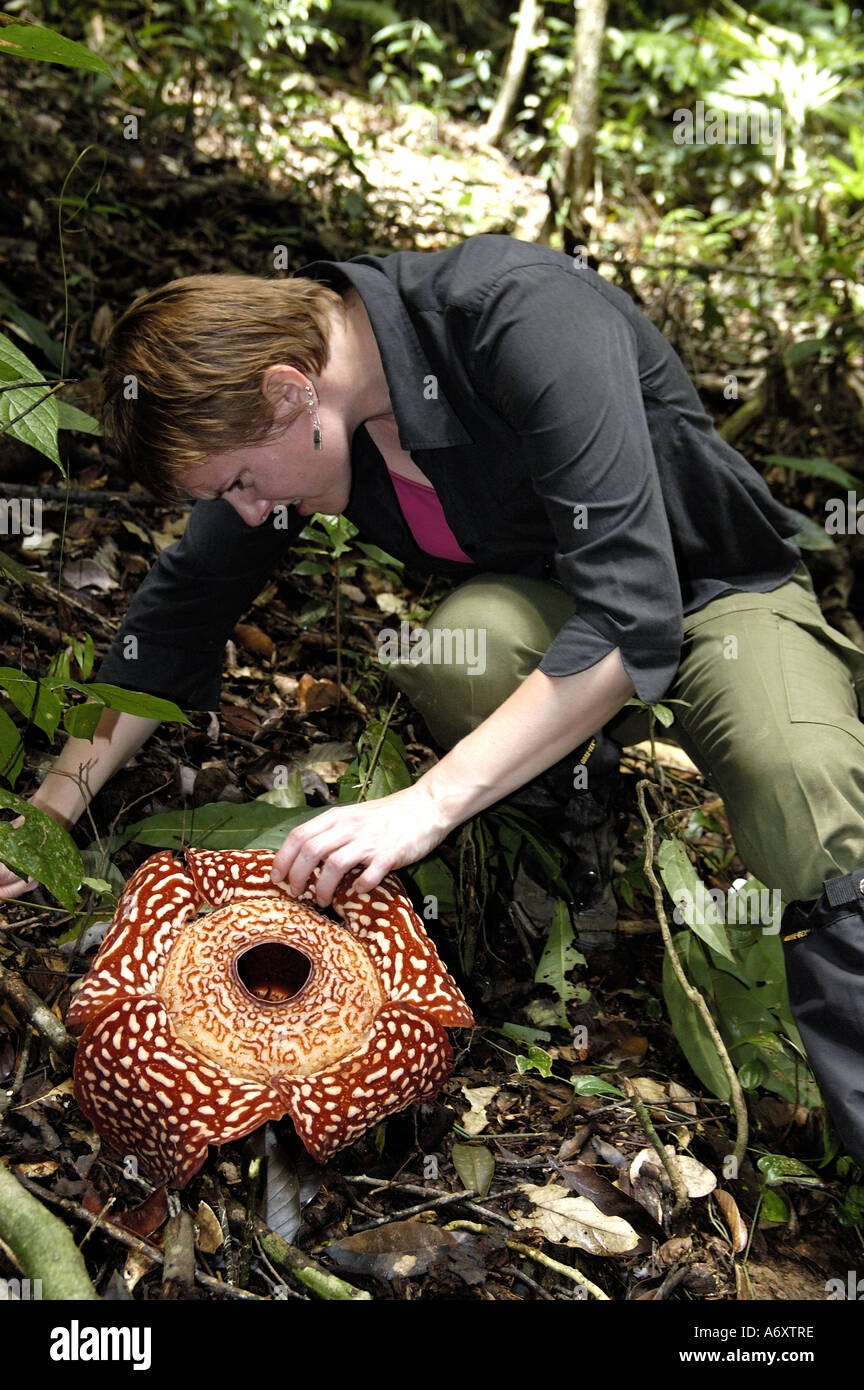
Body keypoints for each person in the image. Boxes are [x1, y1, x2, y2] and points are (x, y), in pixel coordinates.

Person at [4, 234, 864, 1164]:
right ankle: (572, 840)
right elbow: (180, 609)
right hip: (549, 619)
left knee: (800, 783)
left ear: (291, 391)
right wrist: (49, 810)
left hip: (715, 595)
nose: (248, 512)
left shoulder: (523, 316)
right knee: (468, 646)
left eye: (242, 485)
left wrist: (425, 806)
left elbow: (632, 614)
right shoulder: (304, 415)